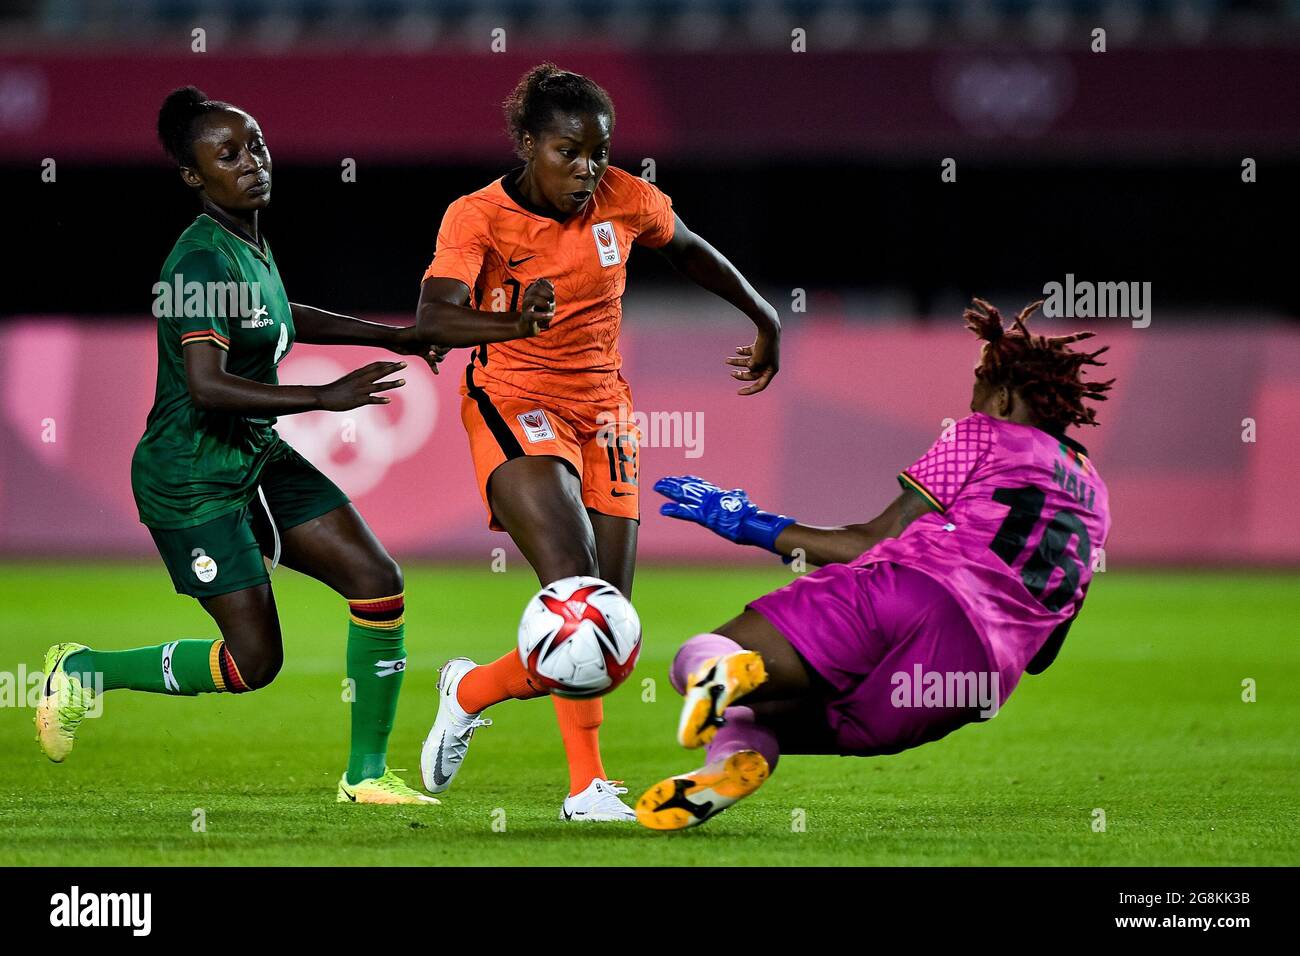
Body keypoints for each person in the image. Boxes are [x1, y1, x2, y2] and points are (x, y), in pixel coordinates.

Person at [35, 86, 445, 806]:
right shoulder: (197, 264)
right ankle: (84, 671)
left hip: (256, 453)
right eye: (228, 154)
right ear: (195, 177)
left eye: (255, 144)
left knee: (377, 580)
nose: (251, 161)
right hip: (192, 477)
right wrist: (324, 397)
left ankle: (367, 776)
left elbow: (285, 316)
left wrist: (394, 334)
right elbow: (207, 386)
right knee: (253, 664)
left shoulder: (249, 241)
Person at [415, 63, 782, 821]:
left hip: (606, 410)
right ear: (526, 144)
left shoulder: (625, 198)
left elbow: (688, 249)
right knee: (574, 588)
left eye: (599, 151)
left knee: (609, 638)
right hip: (512, 398)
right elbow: (434, 319)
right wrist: (511, 326)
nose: (587, 169)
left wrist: (763, 315)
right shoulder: (477, 216)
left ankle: (469, 689)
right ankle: (586, 790)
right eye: (568, 152)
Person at [636, 298, 1114, 829]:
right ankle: (724, 769)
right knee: (753, 714)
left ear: (1002, 395)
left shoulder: (979, 432)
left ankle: (712, 671)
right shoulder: (1095, 494)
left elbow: (875, 538)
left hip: (910, 592)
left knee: (708, 658)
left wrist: (748, 522)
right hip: (973, 677)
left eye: (980, 381)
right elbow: (1045, 653)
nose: (973, 395)